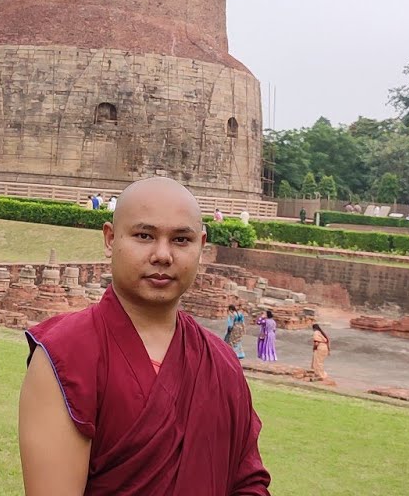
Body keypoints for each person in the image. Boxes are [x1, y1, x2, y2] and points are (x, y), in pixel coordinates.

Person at [18, 177, 270, 495]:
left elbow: (248, 482)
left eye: (181, 240)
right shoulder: (66, 355)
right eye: (144, 235)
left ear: (201, 246)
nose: (162, 255)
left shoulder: (220, 363)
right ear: (110, 239)